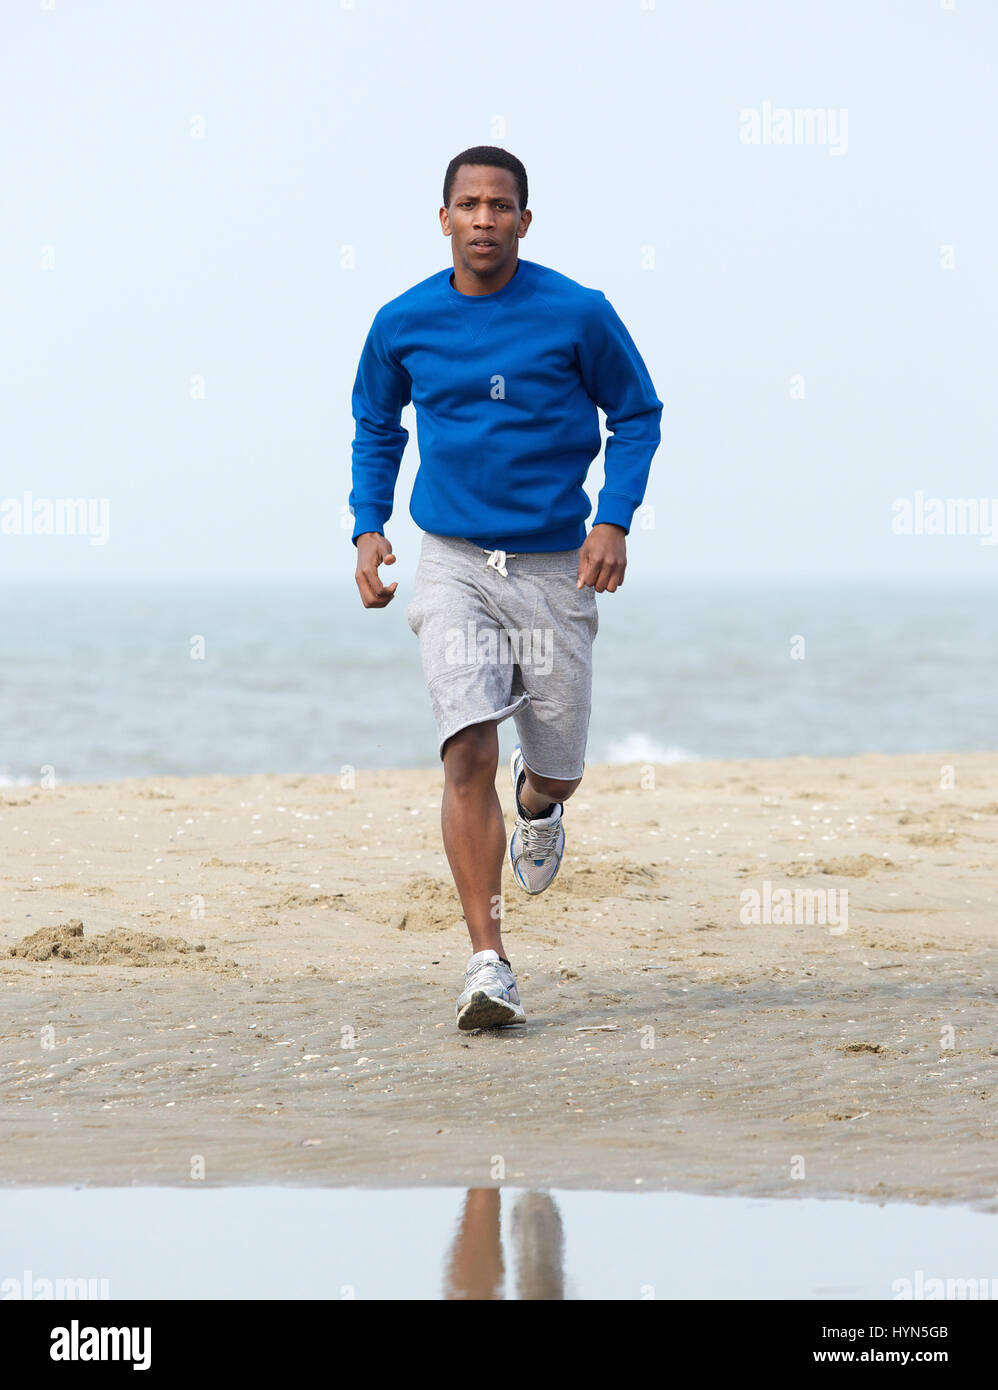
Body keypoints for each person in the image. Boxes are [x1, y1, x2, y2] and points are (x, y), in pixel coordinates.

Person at [349, 145, 662, 1031]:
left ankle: (538, 803)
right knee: (466, 746)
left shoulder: (578, 313)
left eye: (501, 205)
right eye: (469, 204)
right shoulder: (402, 321)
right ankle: (489, 963)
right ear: (442, 218)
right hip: (451, 558)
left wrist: (615, 518)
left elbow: (637, 413)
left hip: (554, 564)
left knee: (555, 767)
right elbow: (378, 424)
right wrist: (369, 527)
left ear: (525, 221)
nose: (484, 218)